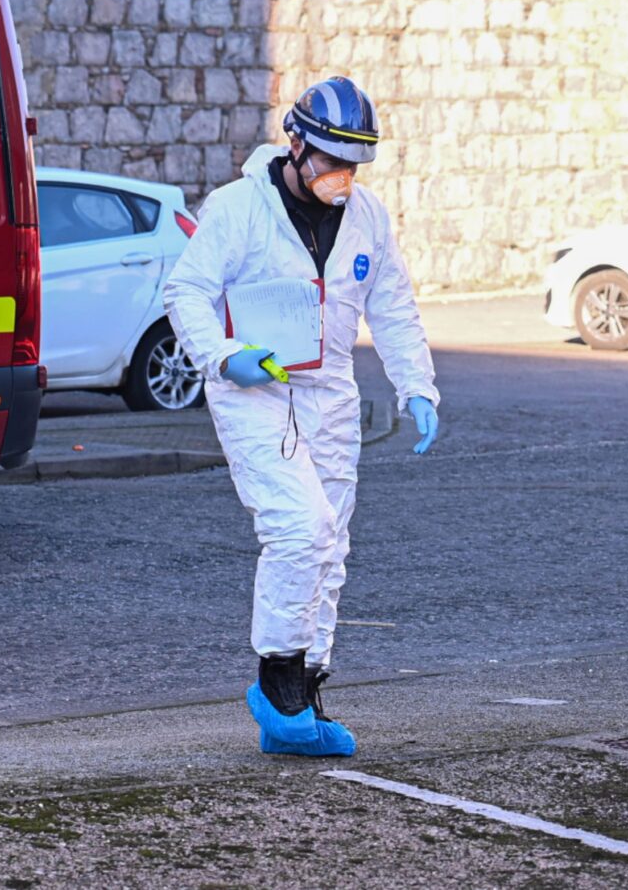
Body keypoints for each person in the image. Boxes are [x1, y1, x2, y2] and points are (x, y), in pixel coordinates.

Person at [162, 77, 441, 758]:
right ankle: (277, 680)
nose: (342, 175)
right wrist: (223, 356)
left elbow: (393, 306)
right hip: (254, 391)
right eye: (332, 160)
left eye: (354, 164)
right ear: (295, 145)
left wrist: (417, 386)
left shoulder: (367, 216)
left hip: (330, 392)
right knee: (299, 526)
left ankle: (305, 695)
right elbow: (186, 290)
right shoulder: (239, 209)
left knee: (331, 547)